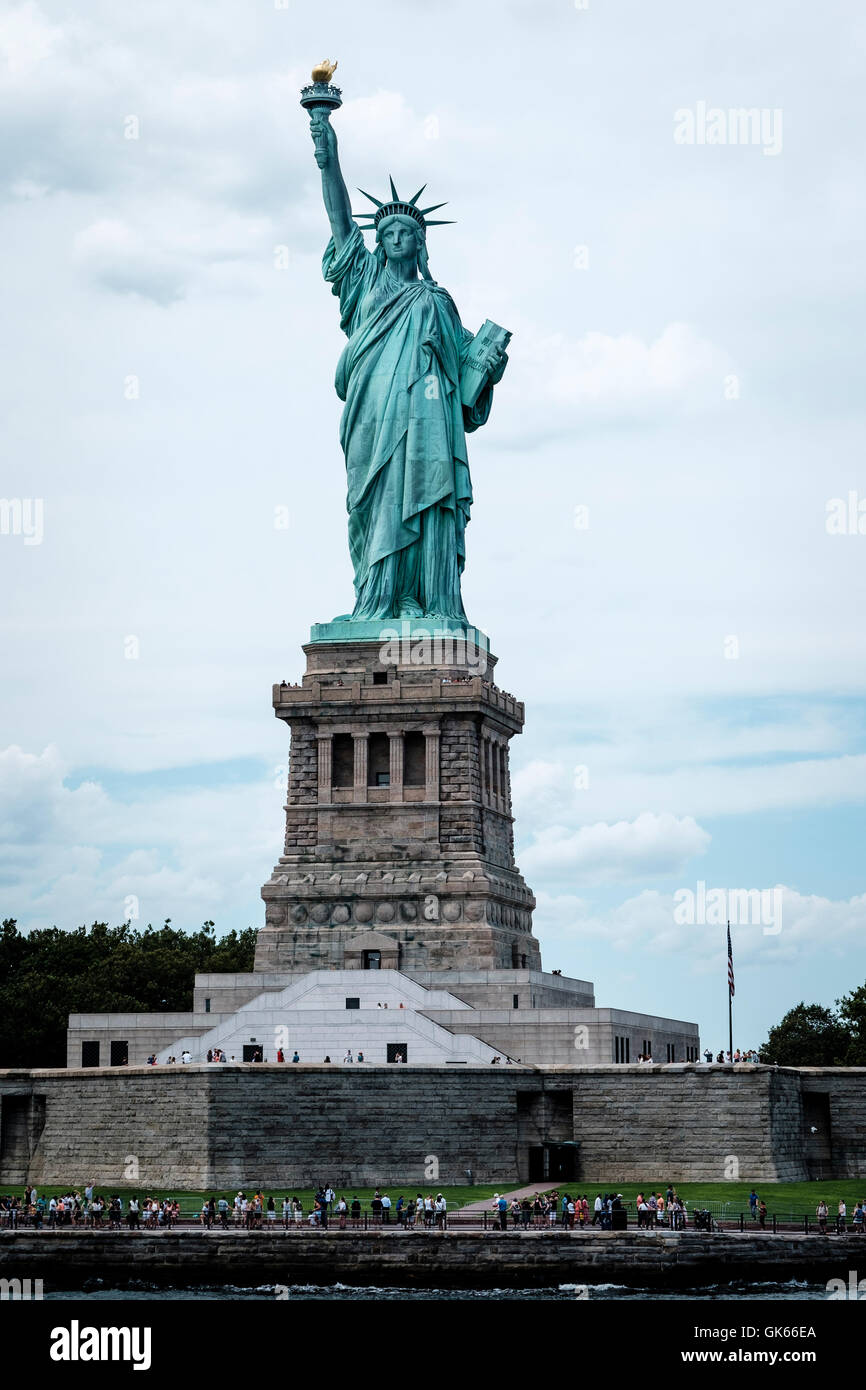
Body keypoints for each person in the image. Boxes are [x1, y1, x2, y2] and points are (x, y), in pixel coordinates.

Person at [306, 100, 508, 627]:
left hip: (428, 424)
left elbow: (467, 378)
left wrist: (489, 364)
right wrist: (327, 150)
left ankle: (425, 599)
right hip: (373, 416)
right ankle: (376, 599)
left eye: (407, 234)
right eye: (388, 233)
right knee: (374, 501)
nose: (397, 239)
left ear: (421, 243)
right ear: (379, 242)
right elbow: (338, 216)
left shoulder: (437, 302)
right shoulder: (364, 281)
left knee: (426, 496)